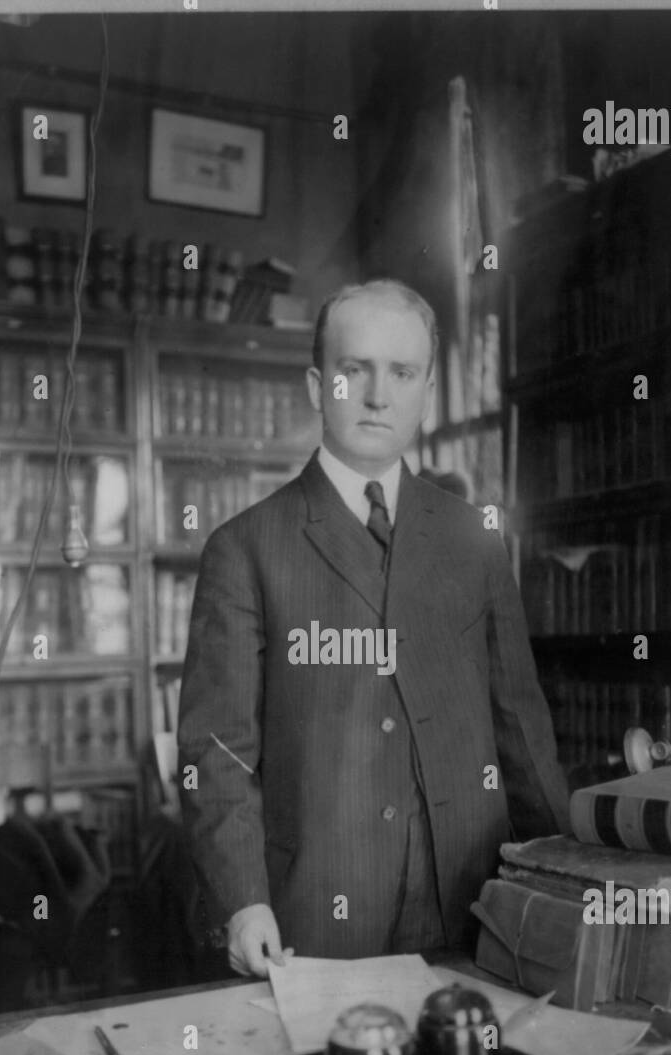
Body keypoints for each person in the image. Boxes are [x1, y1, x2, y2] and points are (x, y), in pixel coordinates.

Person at [178, 278, 569, 979]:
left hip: (472, 908)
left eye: (402, 373)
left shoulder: (474, 539)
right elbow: (217, 754)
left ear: (424, 392)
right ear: (315, 385)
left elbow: (521, 726)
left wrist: (565, 873)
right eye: (354, 370)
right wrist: (243, 903)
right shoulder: (246, 547)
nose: (377, 396)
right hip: (312, 925)